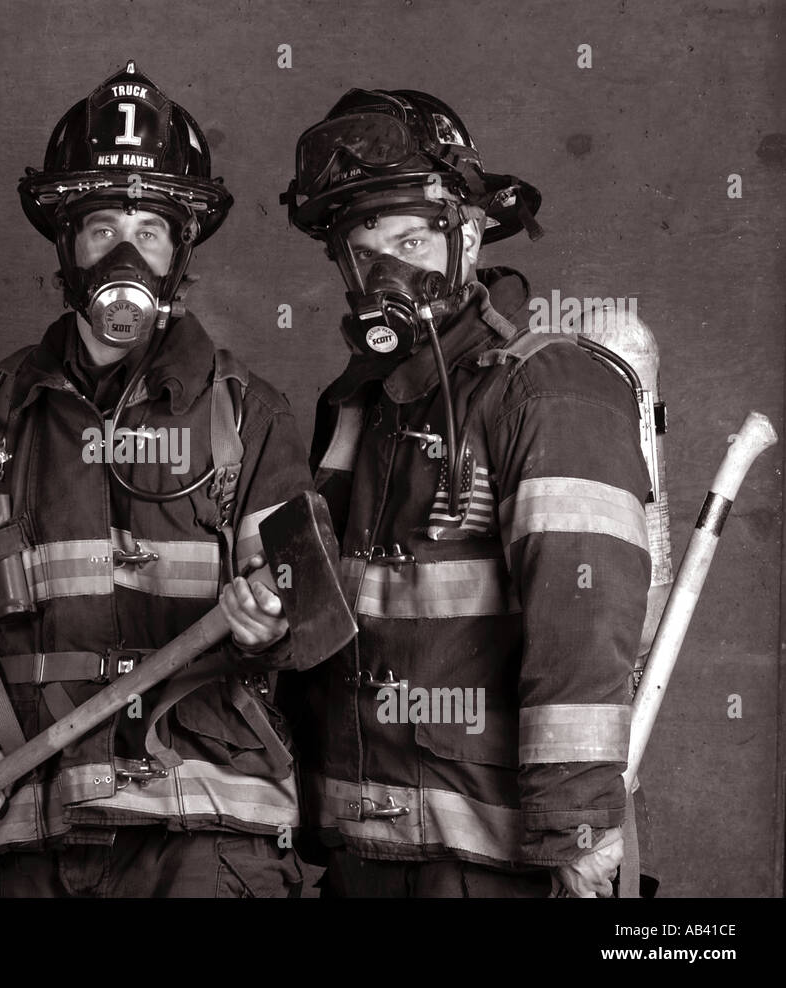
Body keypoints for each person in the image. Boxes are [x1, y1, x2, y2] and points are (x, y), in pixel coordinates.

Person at [0, 61, 314, 897]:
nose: (124, 252)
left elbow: (309, 620)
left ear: (178, 254)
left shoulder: (247, 413)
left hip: (201, 833)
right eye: (100, 228)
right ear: (67, 248)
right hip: (28, 828)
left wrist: (266, 619)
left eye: (149, 230)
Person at [279, 88, 652, 897]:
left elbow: (584, 632)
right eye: (364, 248)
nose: (389, 272)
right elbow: (324, 625)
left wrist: (577, 832)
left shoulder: (548, 388)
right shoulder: (358, 406)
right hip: (360, 847)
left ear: (470, 234)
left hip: (491, 859)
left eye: (411, 238)